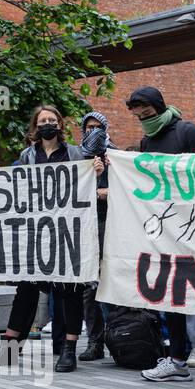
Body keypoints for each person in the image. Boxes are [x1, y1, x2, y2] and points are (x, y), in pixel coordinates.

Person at [0, 105, 89, 372]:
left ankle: (69, 350)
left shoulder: (75, 154)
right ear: (35, 127)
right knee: (26, 291)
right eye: (43, 121)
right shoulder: (28, 155)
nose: (48, 124)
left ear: (61, 124)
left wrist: (95, 171)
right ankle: (9, 349)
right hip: (36, 235)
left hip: (66, 234)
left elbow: (86, 185)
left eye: (52, 120)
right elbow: (13, 180)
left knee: (69, 292)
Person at [123, 86, 195, 384]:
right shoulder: (147, 141)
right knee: (170, 295)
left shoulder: (188, 132)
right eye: (138, 115)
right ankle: (176, 359)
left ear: (158, 106)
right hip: (166, 228)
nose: (142, 118)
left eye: (146, 112)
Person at [78, 111, 112, 362]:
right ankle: (94, 340)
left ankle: (123, 335)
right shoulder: (76, 157)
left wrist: (107, 190)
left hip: (111, 225)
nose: (93, 131)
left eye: (98, 127)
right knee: (90, 287)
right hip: (86, 228)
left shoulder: (117, 156)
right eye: (89, 127)